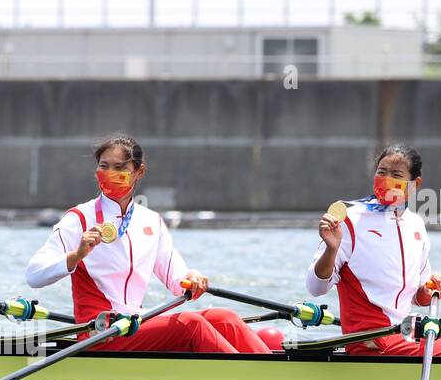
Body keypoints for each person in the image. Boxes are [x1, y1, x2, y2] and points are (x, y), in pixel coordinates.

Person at [25, 134, 269, 353]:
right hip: (100, 332)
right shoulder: (78, 219)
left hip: (137, 323)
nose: (110, 173)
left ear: (138, 172)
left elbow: (177, 280)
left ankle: (270, 373)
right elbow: (34, 275)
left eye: (119, 167)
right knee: (190, 325)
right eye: (104, 166)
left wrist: (192, 277)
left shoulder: (150, 221)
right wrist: (76, 255)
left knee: (224, 317)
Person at [307, 144, 441, 358]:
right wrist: (331, 249)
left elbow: (418, 298)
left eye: (396, 174)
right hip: (371, 340)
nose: (386, 179)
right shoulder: (349, 220)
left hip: (408, 332)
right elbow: (315, 287)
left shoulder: (415, 224)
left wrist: (432, 288)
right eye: (381, 172)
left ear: (415, 183)